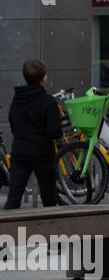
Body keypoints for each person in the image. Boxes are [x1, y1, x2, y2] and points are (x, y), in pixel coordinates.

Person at [5, 59, 65, 209]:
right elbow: (54, 131)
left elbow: (13, 122)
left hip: (19, 151)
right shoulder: (48, 101)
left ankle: (6, 229)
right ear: (43, 78)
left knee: (14, 196)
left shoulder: (17, 100)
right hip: (42, 153)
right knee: (48, 197)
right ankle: (50, 229)